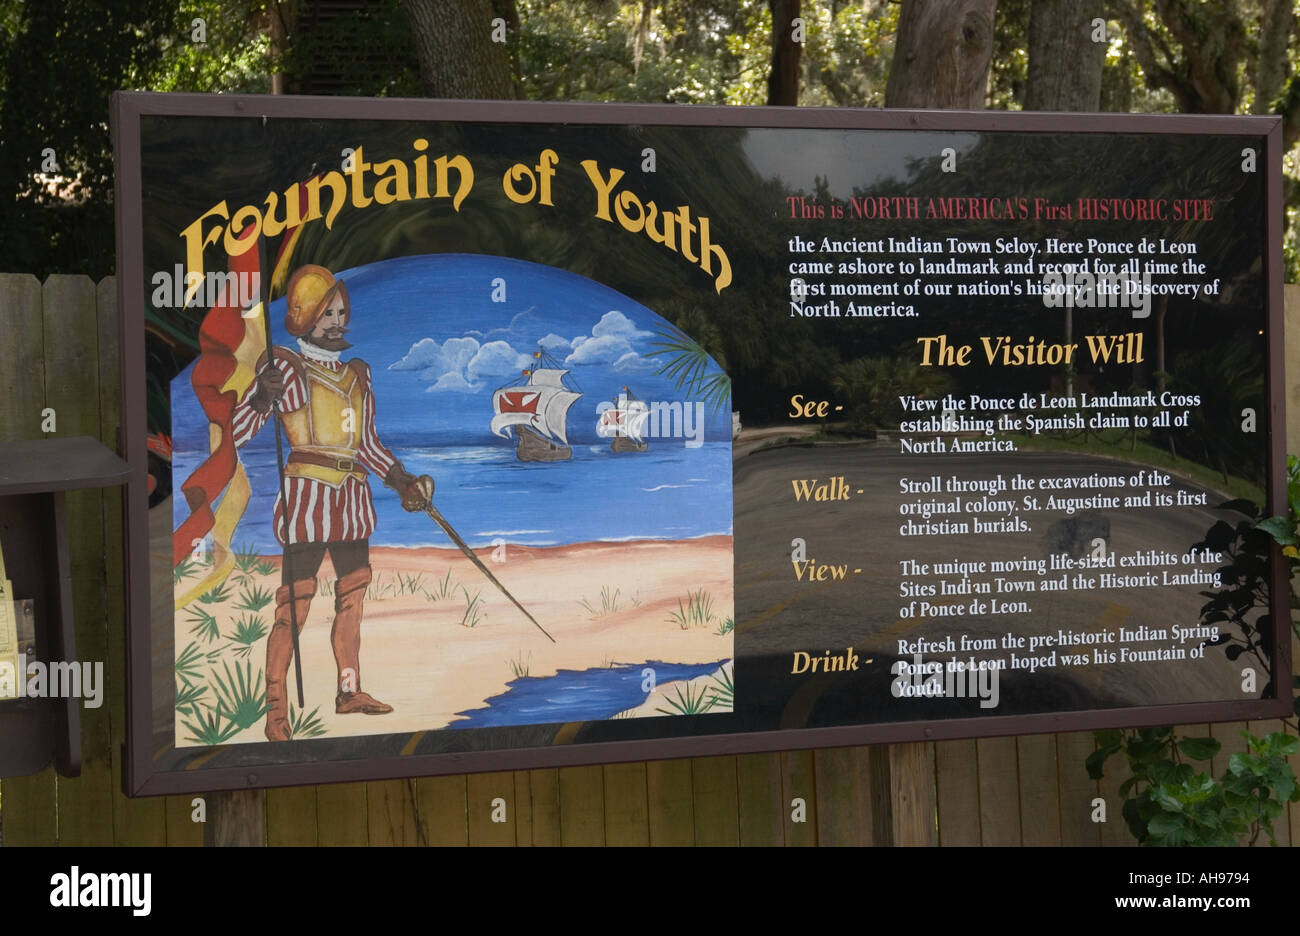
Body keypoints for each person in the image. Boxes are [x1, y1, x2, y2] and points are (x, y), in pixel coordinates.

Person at [233, 263, 433, 741]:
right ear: (303, 317)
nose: (338, 321)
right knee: (294, 608)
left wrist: (402, 480)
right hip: (307, 500)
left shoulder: (357, 375)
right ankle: (276, 712)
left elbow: (366, 445)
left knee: (352, 600)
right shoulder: (284, 366)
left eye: (341, 312)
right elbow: (238, 433)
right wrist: (262, 398)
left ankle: (349, 691)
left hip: (352, 502)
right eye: (327, 313)